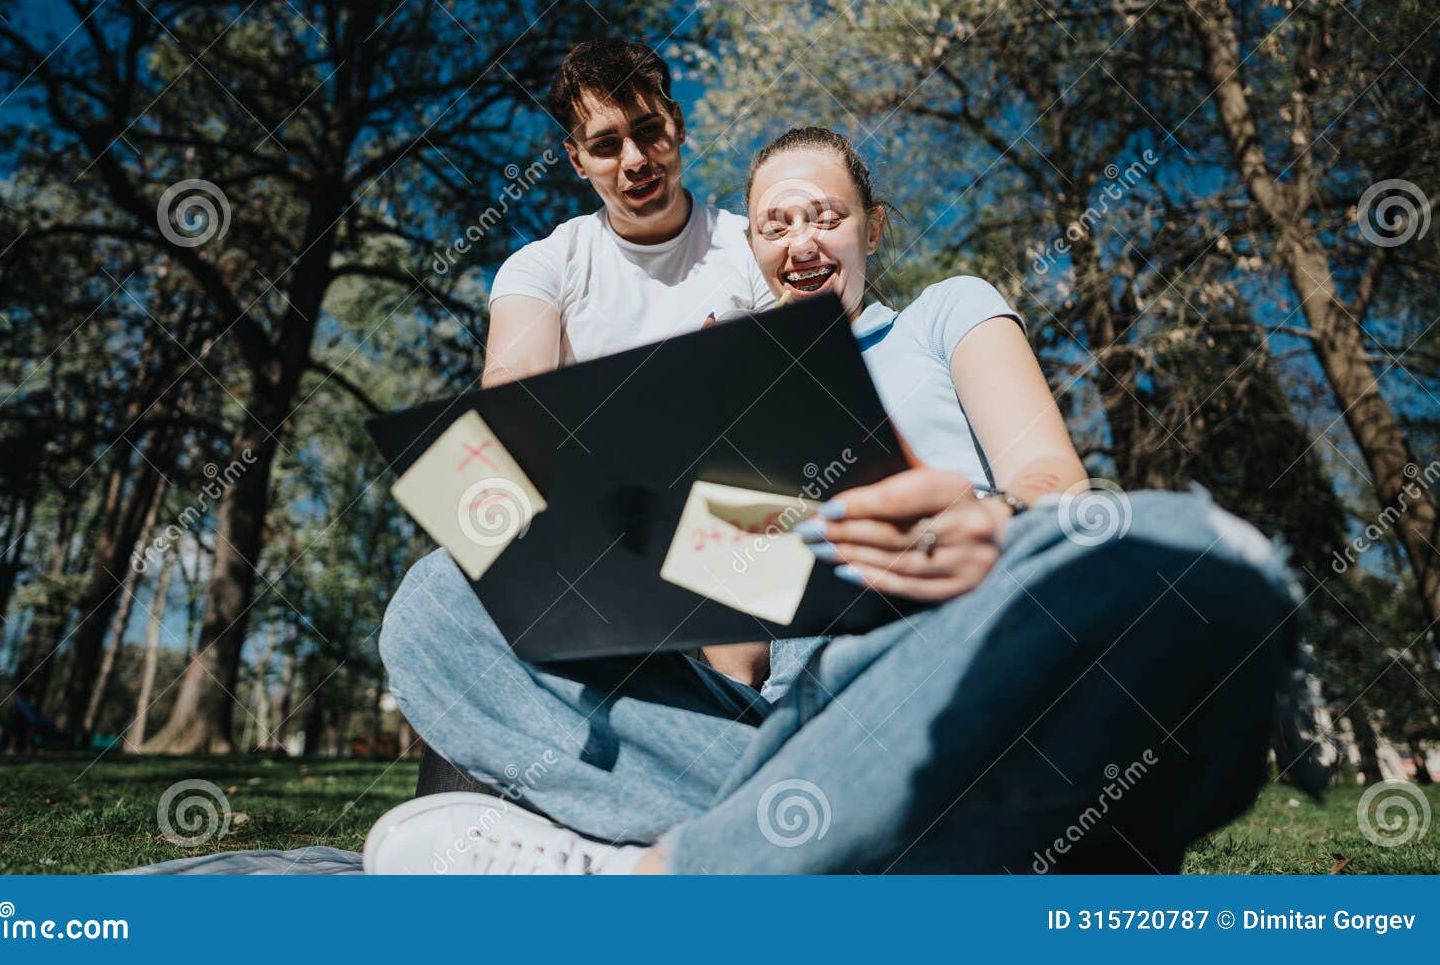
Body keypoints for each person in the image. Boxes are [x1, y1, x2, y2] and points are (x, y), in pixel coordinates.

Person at [368, 128, 1297, 874]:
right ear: (756, 249)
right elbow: (740, 645)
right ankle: (821, 845)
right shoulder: (739, 382)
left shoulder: (946, 313)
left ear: (872, 229)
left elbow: (1055, 485)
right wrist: (629, 585)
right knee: (439, 601)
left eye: (825, 217)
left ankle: (663, 873)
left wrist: (989, 529)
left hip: (949, 644)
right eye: (774, 227)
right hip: (795, 715)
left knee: (1202, 557)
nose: (801, 243)